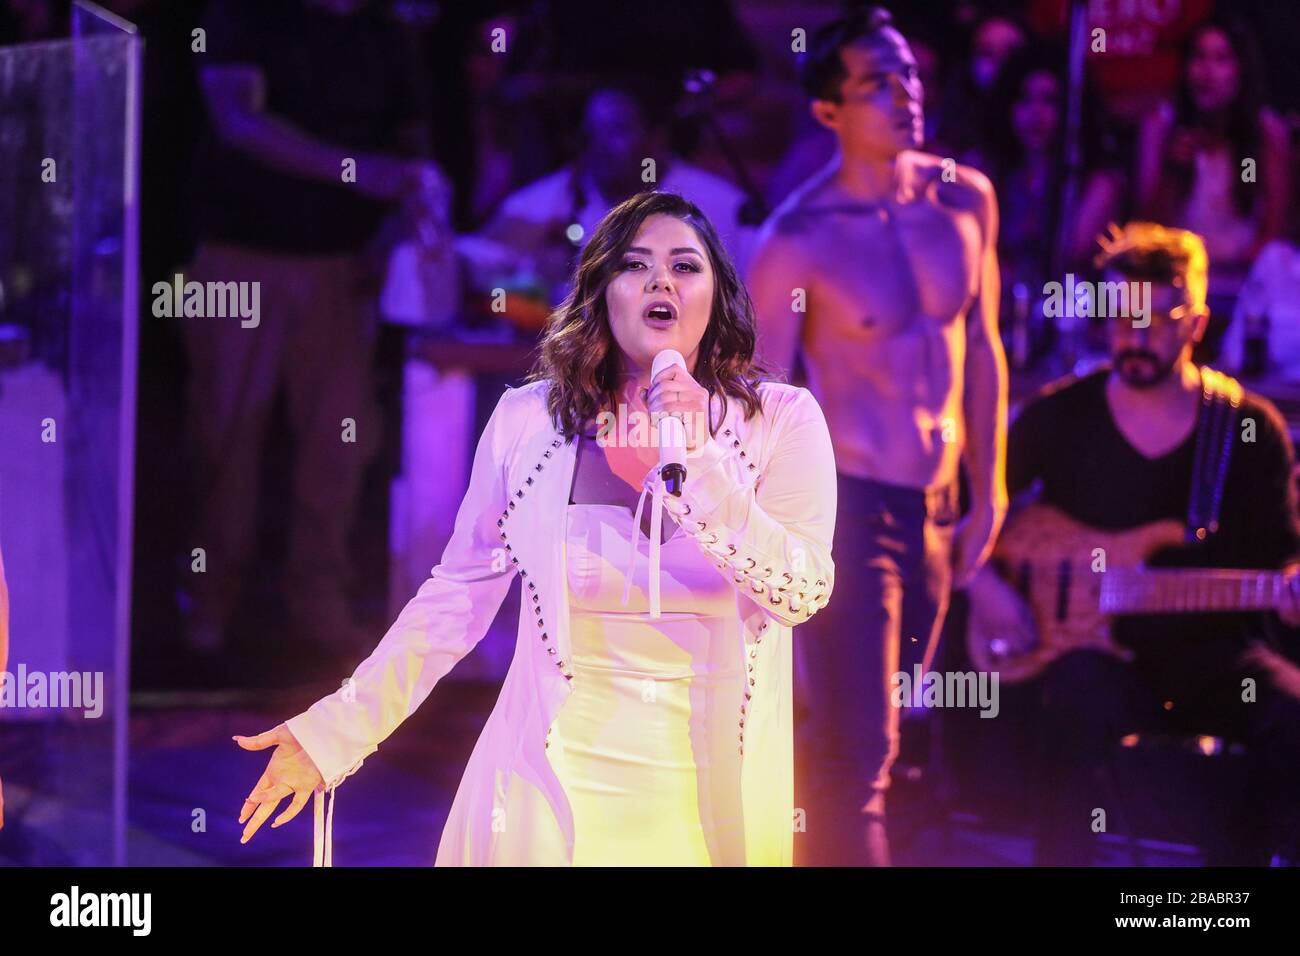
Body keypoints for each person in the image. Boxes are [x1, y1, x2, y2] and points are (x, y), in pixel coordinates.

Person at [233, 191, 838, 866]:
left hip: (710, 811)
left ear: (717, 297)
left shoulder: (782, 423)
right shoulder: (531, 424)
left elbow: (802, 591)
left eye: (685, 266)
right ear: (602, 293)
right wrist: (334, 732)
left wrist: (697, 461)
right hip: (548, 798)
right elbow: (455, 598)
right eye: (635, 265)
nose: (662, 280)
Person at [746, 6, 1007, 866]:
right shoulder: (797, 238)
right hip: (850, 510)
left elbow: (984, 349)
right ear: (829, 111)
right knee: (861, 745)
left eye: (910, 75)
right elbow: (760, 400)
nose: (904, 96)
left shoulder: (965, 198)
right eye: (876, 85)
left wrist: (989, 488)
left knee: (892, 736)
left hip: (937, 503)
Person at [971, 222, 1300, 864]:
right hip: (1100, 656)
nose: (1135, 336)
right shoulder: (1059, 415)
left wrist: (1290, 587)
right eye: (1121, 318)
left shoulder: (1247, 427)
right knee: (1073, 701)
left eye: (1156, 319)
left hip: (1217, 657)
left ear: (1196, 324)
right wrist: (983, 587)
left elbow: (1284, 555)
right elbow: (970, 511)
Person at [181, 0, 443, 659]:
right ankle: (209, 604)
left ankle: (317, 603)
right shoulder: (245, 16)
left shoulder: (387, 34)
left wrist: (400, 214)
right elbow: (237, 120)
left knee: (339, 442)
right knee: (226, 436)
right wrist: (357, 171)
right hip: (240, 257)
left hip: (343, 267)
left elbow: (410, 148)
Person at [463, 85, 758, 304]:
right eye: (593, 132)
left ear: (657, 137)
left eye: (617, 130)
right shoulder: (551, 199)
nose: (601, 145)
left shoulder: (721, 206)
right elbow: (480, 264)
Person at [1136, 15, 1290, 329]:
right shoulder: (1162, 126)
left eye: (1221, 59)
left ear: (1240, 70)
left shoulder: (1261, 137)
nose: (1207, 72)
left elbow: (1271, 232)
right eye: (1199, 57)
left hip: (1243, 291)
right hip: (1174, 287)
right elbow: (1146, 230)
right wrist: (1173, 171)